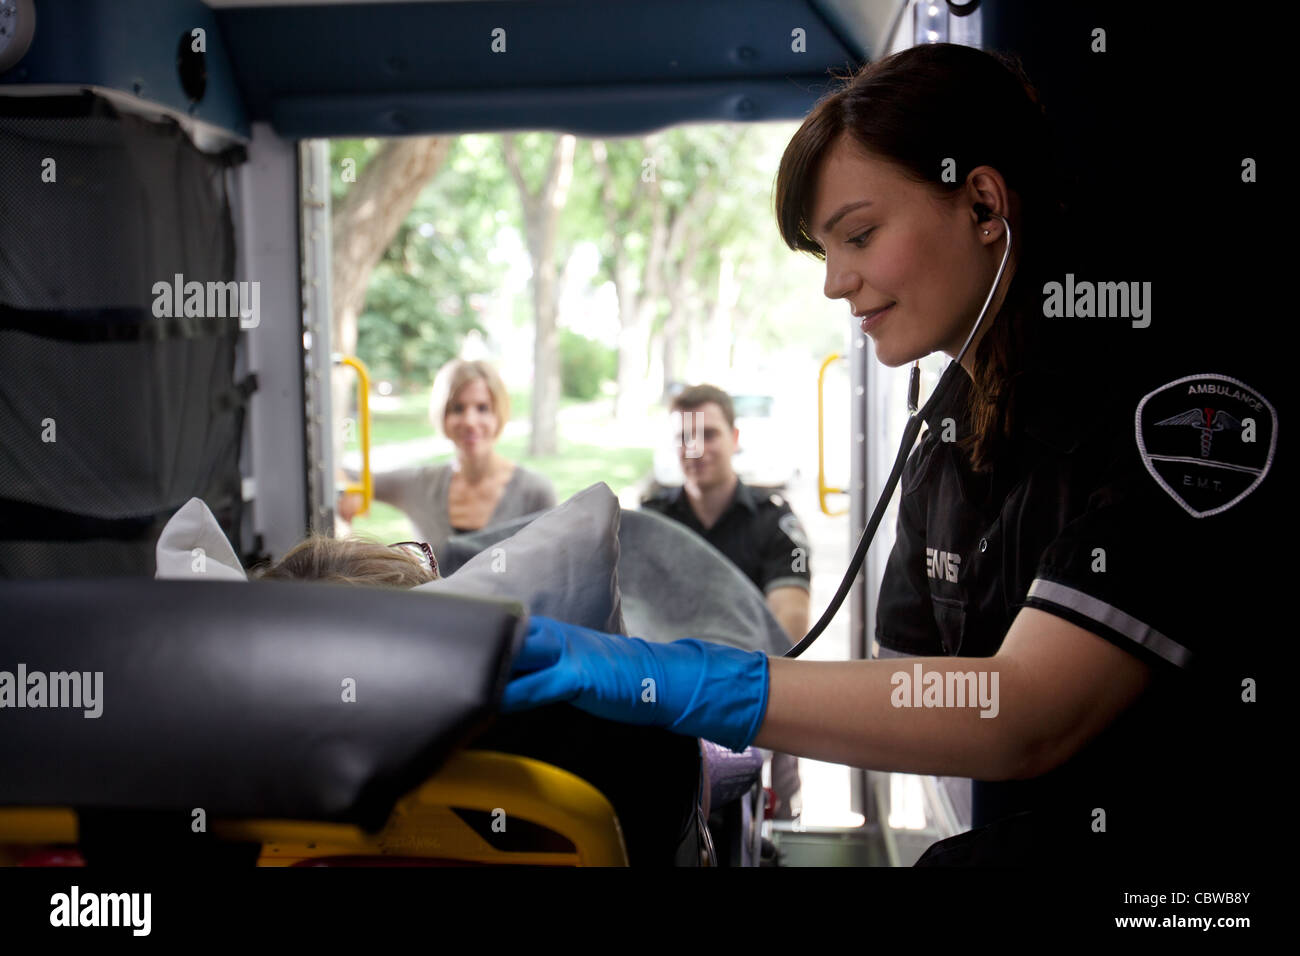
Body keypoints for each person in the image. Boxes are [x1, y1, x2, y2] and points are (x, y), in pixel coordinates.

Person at [498, 43, 1269, 866]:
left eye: (859, 235)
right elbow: (922, 693)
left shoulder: (1182, 410)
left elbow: (1024, 715)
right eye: (826, 251)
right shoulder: (947, 433)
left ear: (982, 205)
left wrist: (690, 682)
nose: (836, 282)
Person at [642, 383, 810, 822]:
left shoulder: (775, 522)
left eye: (708, 435)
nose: (694, 449)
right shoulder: (651, 520)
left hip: (757, 694)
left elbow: (790, 625)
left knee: (771, 825)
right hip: (669, 699)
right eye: (683, 437)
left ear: (735, 439)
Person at [338, 359, 556, 564]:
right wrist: (346, 487)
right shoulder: (418, 484)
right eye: (457, 409)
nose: (470, 421)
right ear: (441, 415)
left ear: (499, 414)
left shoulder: (535, 492)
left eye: (482, 408)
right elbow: (340, 474)